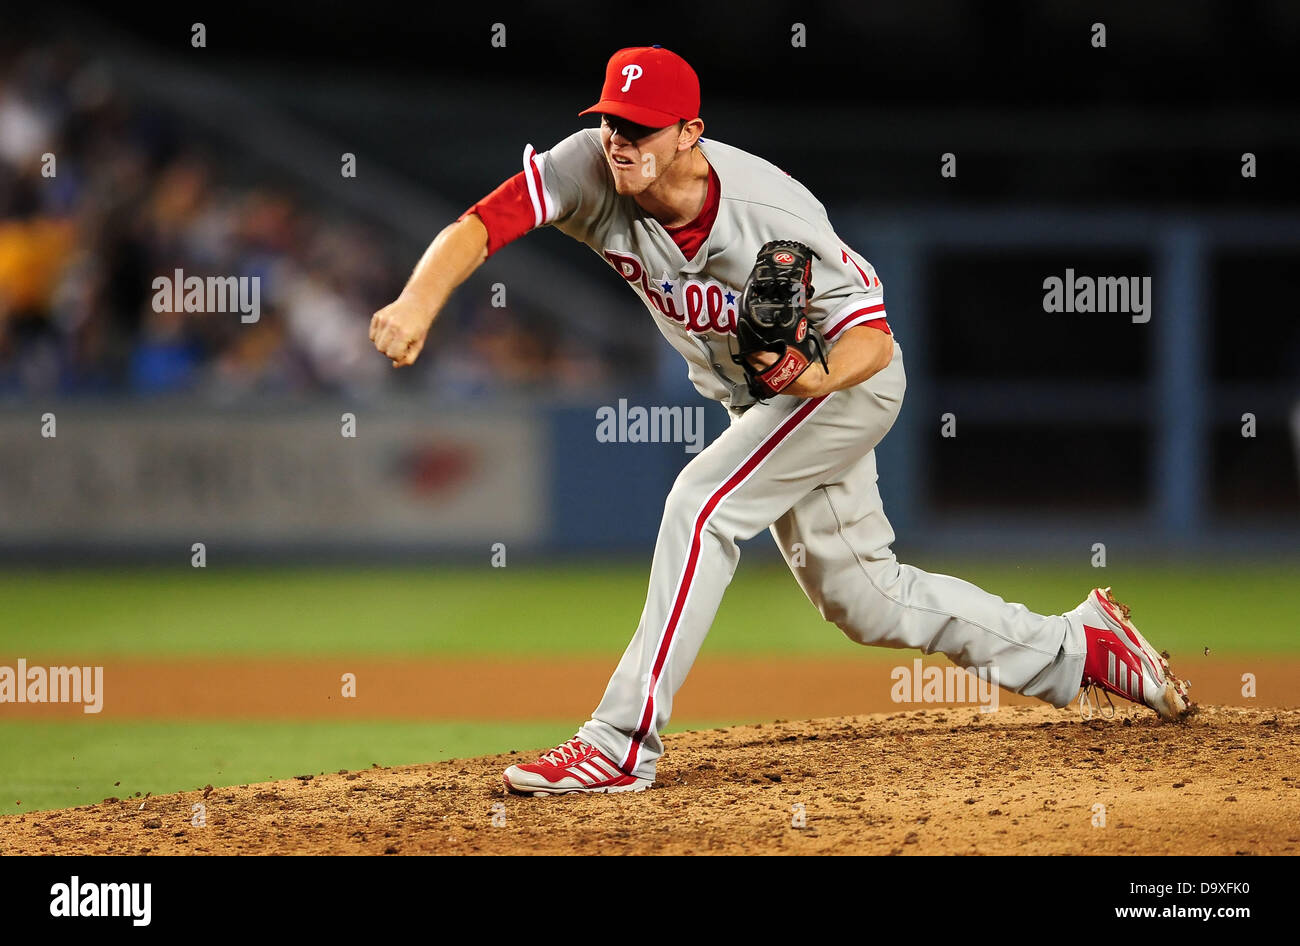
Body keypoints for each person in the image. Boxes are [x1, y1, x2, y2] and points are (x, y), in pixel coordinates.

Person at [369, 46, 1192, 796]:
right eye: (612, 121)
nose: (620, 140)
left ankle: (621, 741)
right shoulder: (588, 167)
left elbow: (874, 339)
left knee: (701, 504)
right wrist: (416, 300)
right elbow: (483, 222)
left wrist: (812, 375)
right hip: (760, 400)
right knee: (867, 601)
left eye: (642, 128)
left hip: (841, 387)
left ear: (691, 132)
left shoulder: (770, 211)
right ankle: (1081, 648)